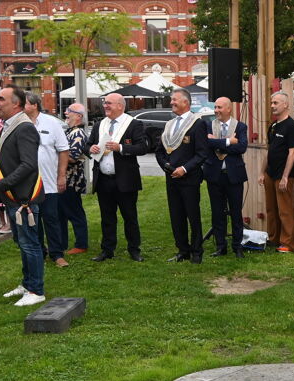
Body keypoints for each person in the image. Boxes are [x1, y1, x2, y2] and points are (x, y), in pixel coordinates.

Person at [0, 87, 46, 306]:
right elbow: (5, 157)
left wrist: (0, 185)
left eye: (2, 99)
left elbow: (28, 165)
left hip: (24, 197)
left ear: (17, 104)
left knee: (30, 244)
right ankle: (28, 283)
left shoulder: (24, 128)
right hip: (13, 197)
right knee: (23, 243)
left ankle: (36, 290)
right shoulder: (9, 125)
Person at [88, 92, 148, 262]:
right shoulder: (100, 124)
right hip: (103, 180)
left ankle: (134, 250)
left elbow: (142, 147)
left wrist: (120, 148)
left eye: (109, 103)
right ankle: (107, 250)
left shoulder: (133, 124)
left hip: (125, 179)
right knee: (107, 217)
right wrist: (90, 149)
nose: (105, 106)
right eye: (104, 103)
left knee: (130, 216)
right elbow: (87, 145)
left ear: (120, 106)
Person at [155, 88, 209, 264]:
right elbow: (160, 151)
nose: (171, 102)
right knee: (176, 215)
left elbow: (202, 153)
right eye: (171, 100)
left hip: (189, 178)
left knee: (192, 215)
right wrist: (167, 167)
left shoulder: (197, 123)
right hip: (172, 178)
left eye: (174, 100)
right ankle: (182, 250)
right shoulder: (170, 124)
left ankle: (196, 251)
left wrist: (184, 169)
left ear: (186, 102)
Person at [24, 93, 71, 268]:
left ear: (35, 105)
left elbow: (63, 150)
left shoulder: (51, 123)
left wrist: (61, 175)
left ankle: (57, 254)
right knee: (32, 220)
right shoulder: (19, 123)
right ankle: (39, 253)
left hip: (48, 182)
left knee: (51, 218)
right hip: (27, 184)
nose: (21, 106)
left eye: (25, 103)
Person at [203, 95, 247, 258]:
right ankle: (221, 247)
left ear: (229, 108)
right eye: (215, 107)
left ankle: (237, 247)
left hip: (234, 175)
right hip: (214, 175)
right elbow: (207, 145)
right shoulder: (208, 125)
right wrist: (229, 142)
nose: (216, 111)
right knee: (217, 212)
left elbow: (242, 147)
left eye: (219, 107)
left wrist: (218, 143)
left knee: (236, 212)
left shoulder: (240, 126)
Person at [260, 91, 294, 252]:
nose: (272, 106)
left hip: (283, 175)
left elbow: (293, 152)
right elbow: (269, 150)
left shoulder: (292, 126)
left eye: (276, 103)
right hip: (270, 174)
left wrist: (285, 176)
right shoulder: (273, 126)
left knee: (285, 210)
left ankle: (288, 243)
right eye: (271, 103)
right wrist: (261, 173)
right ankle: (273, 239)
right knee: (271, 209)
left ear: (286, 105)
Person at [59, 103, 90, 255]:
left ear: (78, 116)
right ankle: (61, 243)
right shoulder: (69, 132)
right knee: (61, 213)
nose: (66, 113)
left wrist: (55, 153)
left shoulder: (78, 134)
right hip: (64, 179)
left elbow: (72, 157)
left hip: (72, 181)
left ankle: (81, 244)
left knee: (75, 213)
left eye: (69, 111)